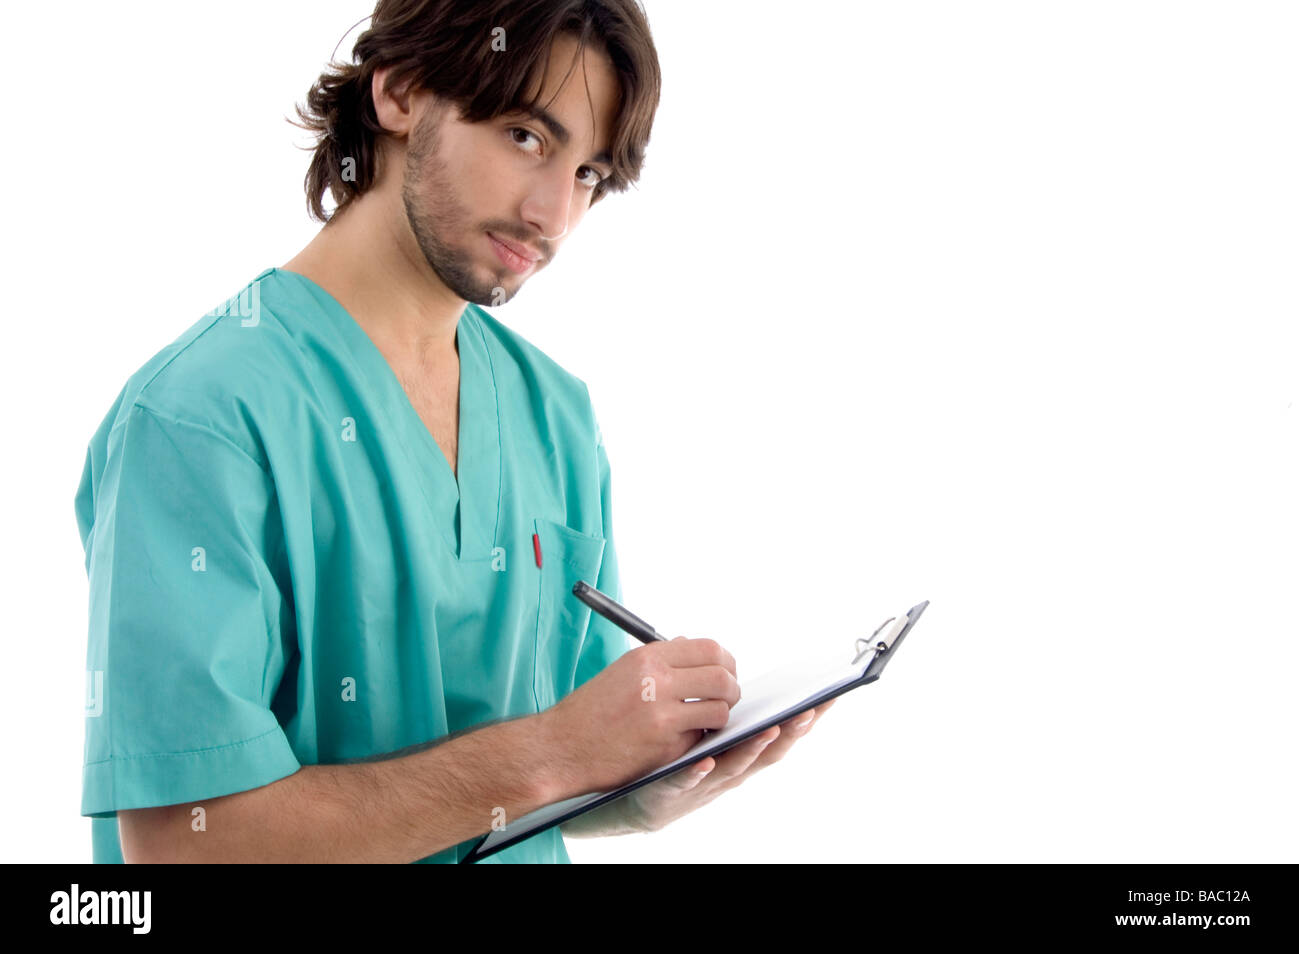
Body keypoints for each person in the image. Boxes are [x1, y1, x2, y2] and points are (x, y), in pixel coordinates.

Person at [73, 0, 832, 864]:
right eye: (526, 137)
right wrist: (558, 752)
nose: (553, 213)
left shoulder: (556, 416)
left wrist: (650, 782)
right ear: (399, 93)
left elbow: (543, 781)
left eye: (587, 174)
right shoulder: (198, 419)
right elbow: (184, 846)